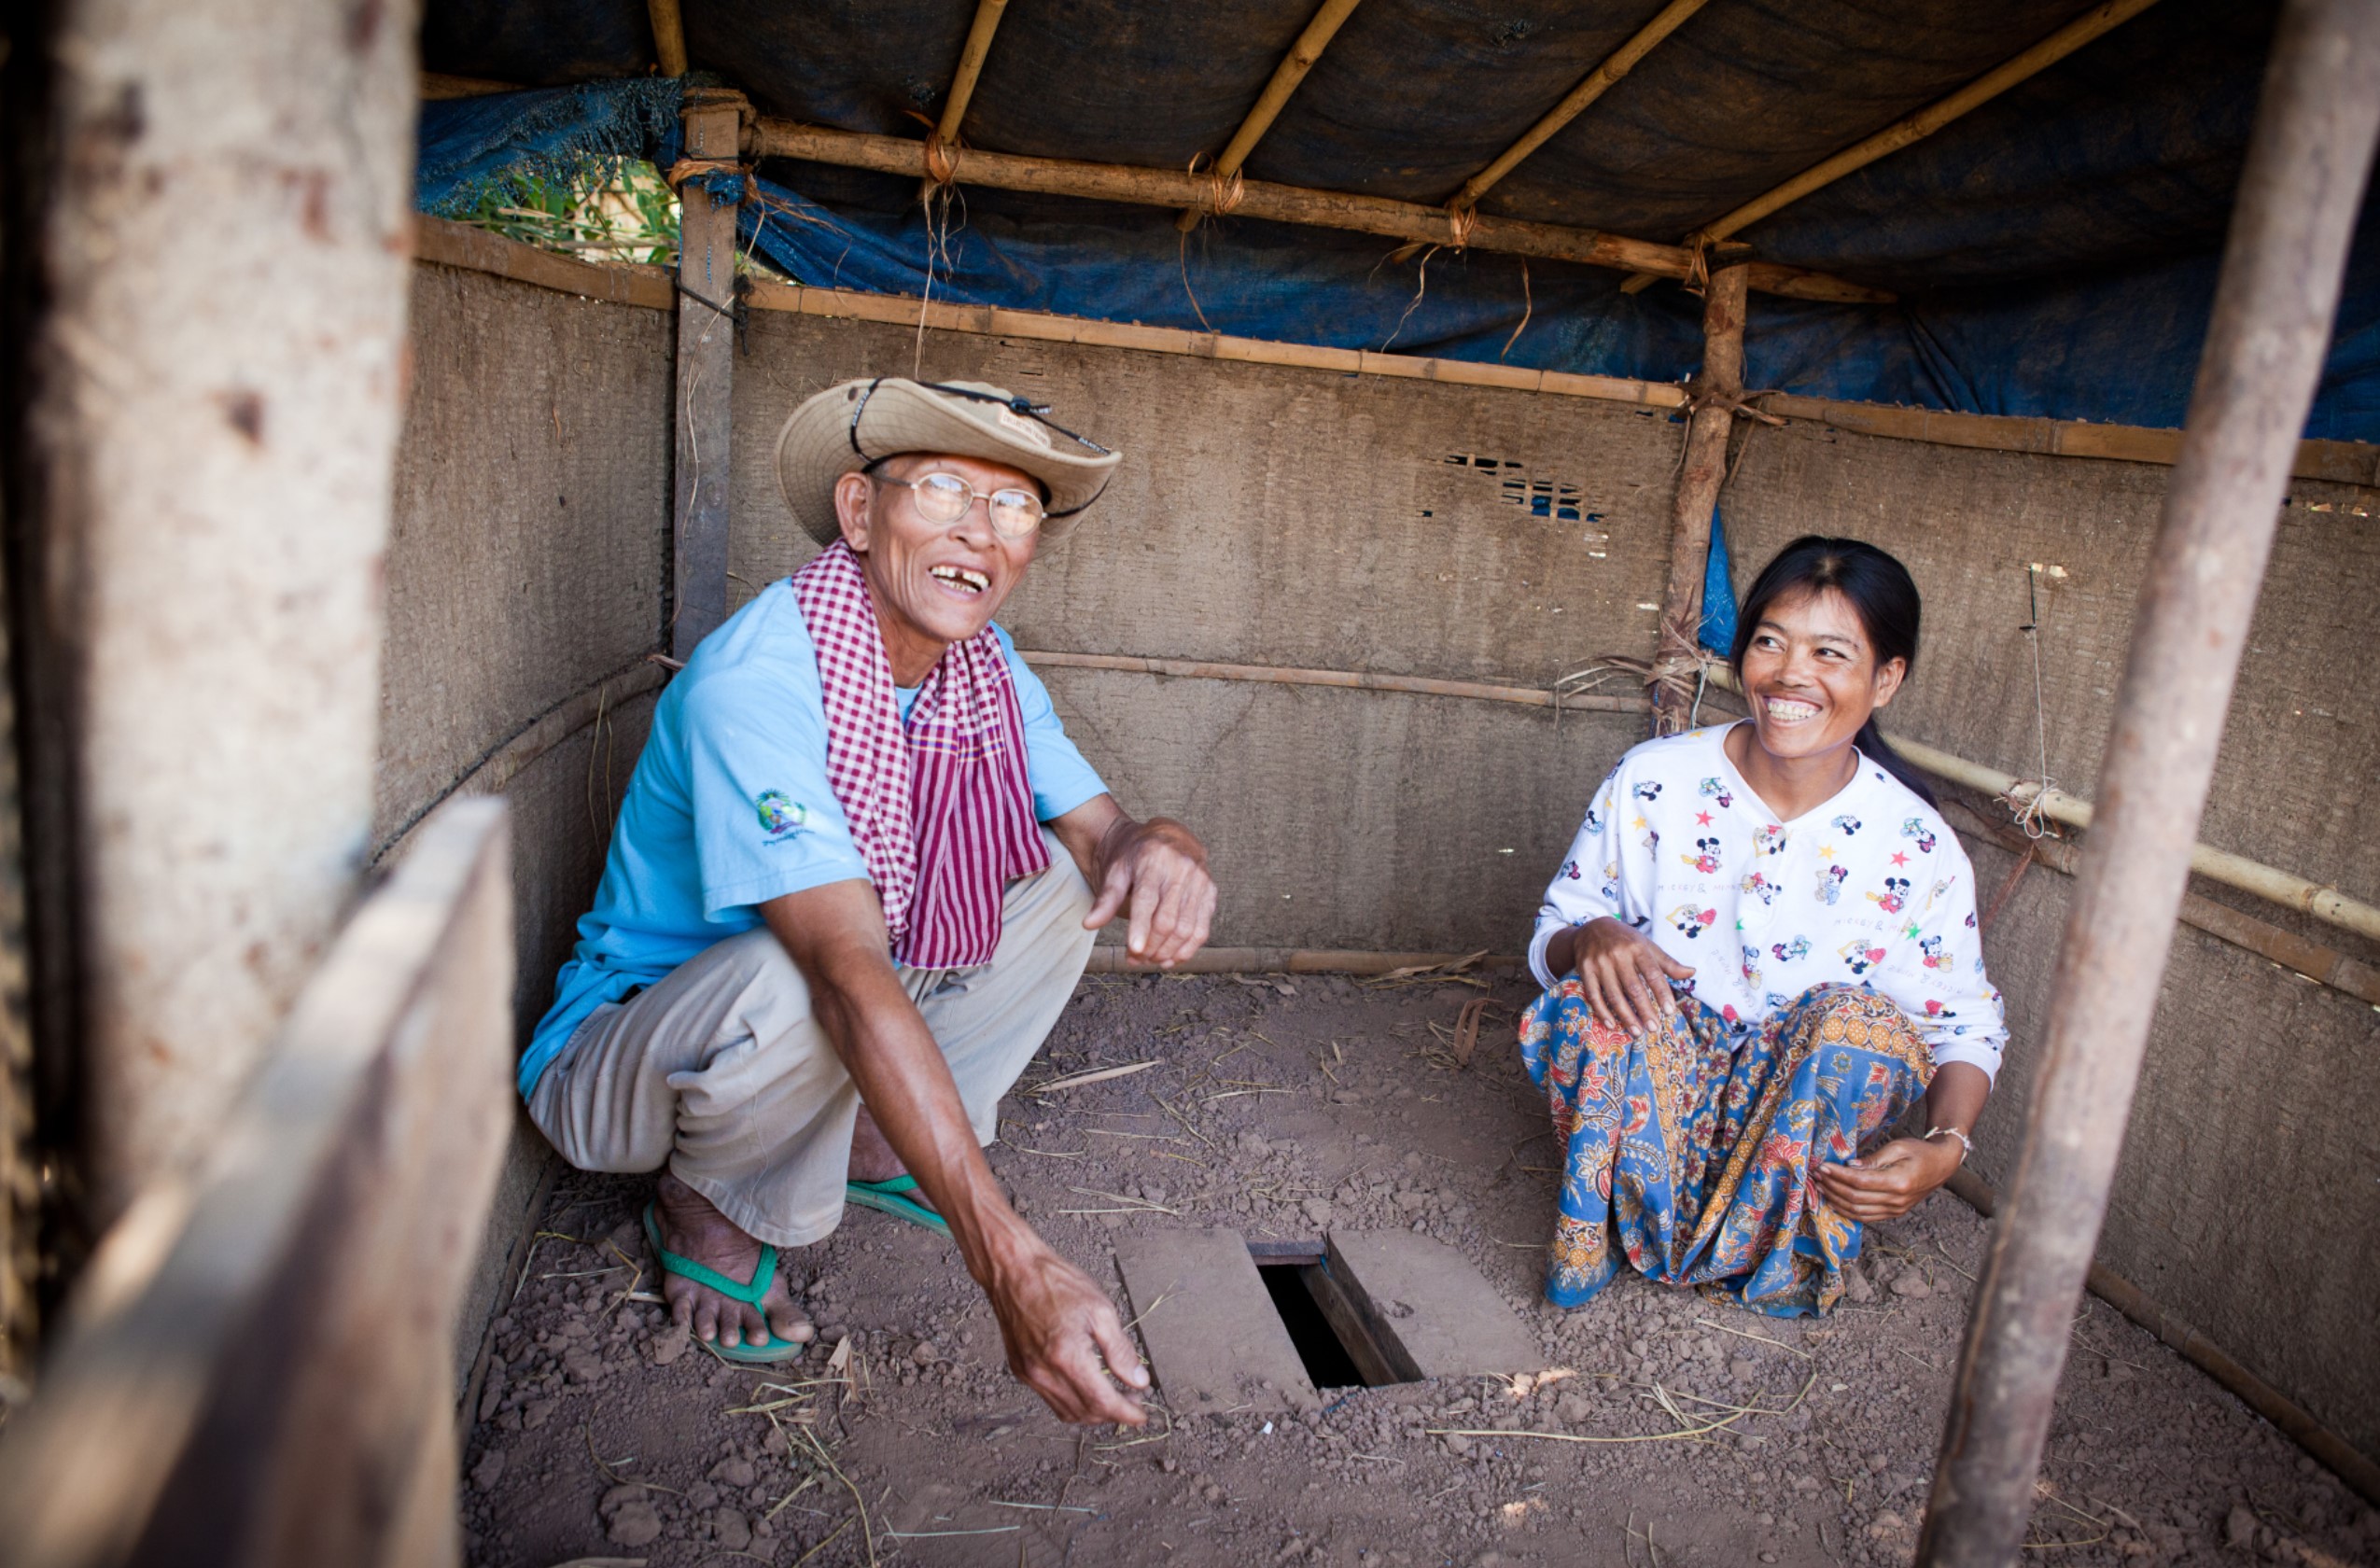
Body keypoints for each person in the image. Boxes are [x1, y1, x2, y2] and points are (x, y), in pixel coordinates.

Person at [521, 376, 1217, 1425]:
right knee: (801, 966)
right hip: (626, 1067)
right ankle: (704, 1202)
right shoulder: (756, 681)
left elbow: (1099, 832)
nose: (978, 532)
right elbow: (846, 975)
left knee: (1070, 879)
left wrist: (1159, 844)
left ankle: (873, 1140)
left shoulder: (980, 667)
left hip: (813, 1001)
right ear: (859, 511)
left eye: (1014, 505)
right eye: (940, 488)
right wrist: (1012, 1265)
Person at [1519, 536, 2004, 1316]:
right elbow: (1556, 936)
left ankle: (1773, 1259)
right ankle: (1606, 1232)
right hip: (1660, 1086)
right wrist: (1592, 937)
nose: (1790, 675)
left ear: (1887, 679)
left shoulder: (1915, 844)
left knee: (1856, 1028)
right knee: (1594, 1004)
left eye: (1830, 653)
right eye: (1770, 642)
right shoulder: (1658, 779)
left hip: (1791, 1103)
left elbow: (1963, 1025)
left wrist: (1949, 1148)